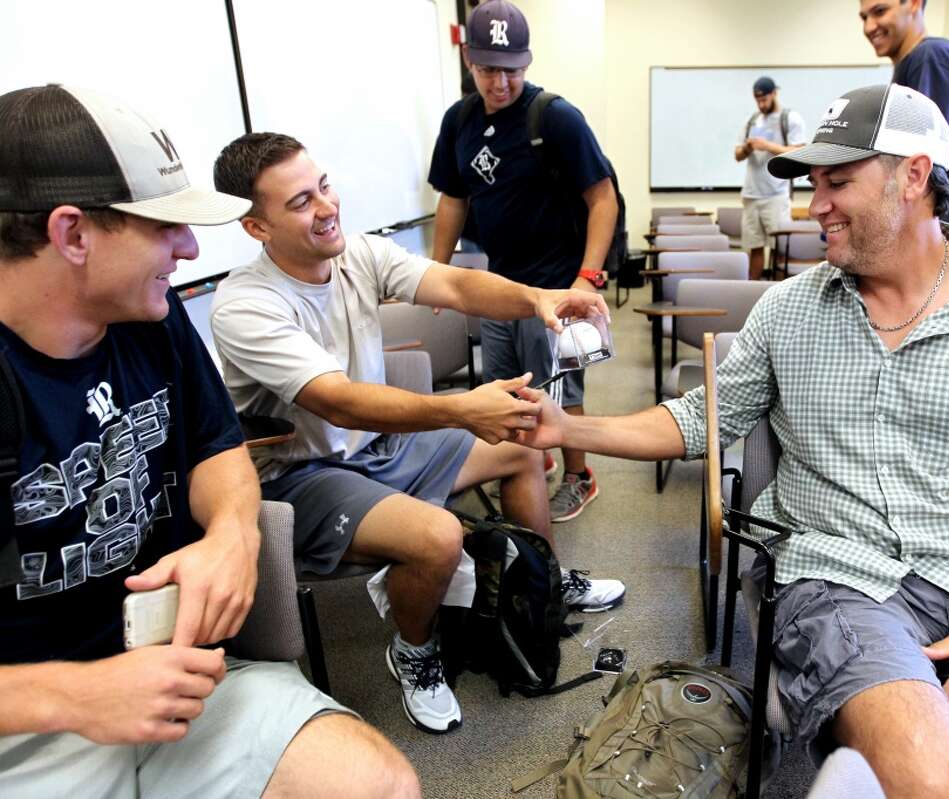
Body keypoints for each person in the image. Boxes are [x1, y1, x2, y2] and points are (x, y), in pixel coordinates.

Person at [516, 84, 949, 799]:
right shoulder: (790, 310)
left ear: (914, 176)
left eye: (839, 181)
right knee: (936, 776)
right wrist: (566, 428)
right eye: (814, 185)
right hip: (837, 577)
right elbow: (697, 419)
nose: (818, 206)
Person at [0, 85, 417, 797]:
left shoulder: (149, 316)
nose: (190, 248)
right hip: (28, 727)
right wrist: (77, 696)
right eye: (165, 227)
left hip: (179, 677)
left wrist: (230, 533)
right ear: (72, 234)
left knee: (378, 782)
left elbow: (220, 449)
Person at [210, 132, 625, 735]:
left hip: (380, 446)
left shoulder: (356, 255)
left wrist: (539, 296)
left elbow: (455, 285)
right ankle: (414, 652)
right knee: (436, 538)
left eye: (324, 186)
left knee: (521, 440)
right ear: (256, 227)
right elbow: (339, 402)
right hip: (305, 475)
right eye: (300, 202)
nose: (326, 208)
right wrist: (461, 411)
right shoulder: (244, 305)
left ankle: (544, 587)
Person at [428, 0, 618, 524]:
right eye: (489, 69)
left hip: (557, 285)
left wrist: (587, 277)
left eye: (511, 71)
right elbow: (453, 199)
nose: (500, 83)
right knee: (508, 386)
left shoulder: (554, 117)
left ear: (527, 64)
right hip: (499, 284)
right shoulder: (459, 120)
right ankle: (528, 464)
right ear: (470, 60)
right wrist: (436, 274)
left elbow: (602, 198)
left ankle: (580, 476)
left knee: (563, 388)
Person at [859, 0, 949, 240]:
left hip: (941, 224)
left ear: (914, 4)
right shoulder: (914, 63)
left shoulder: (931, 58)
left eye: (880, 11)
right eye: (864, 18)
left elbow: (921, 159)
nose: (869, 27)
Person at [733, 76, 806, 280]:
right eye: (757, 100)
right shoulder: (752, 120)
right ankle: (753, 295)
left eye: (764, 99)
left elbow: (798, 152)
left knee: (779, 249)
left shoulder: (789, 118)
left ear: (774, 93)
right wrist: (748, 147)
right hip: (751, 195)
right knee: (754, 248)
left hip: (776, 195)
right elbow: (737, 155)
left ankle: (779, 296)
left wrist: (767, 146)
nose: (761, 104)